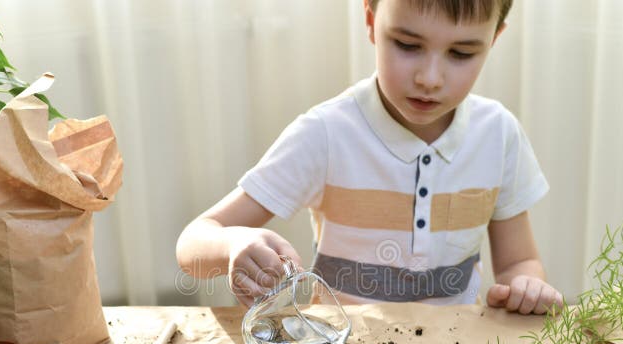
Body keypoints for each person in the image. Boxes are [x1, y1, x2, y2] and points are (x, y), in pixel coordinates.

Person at [176, 0, 563, 314]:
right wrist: (231, 247)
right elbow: (194, 245)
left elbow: (518, 263)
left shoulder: (499, 133)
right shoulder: (327, 133)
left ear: (494, 39)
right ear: (370, 20)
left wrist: (526, 286)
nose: (430, 78)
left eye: (461, 53)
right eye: (408, 45)